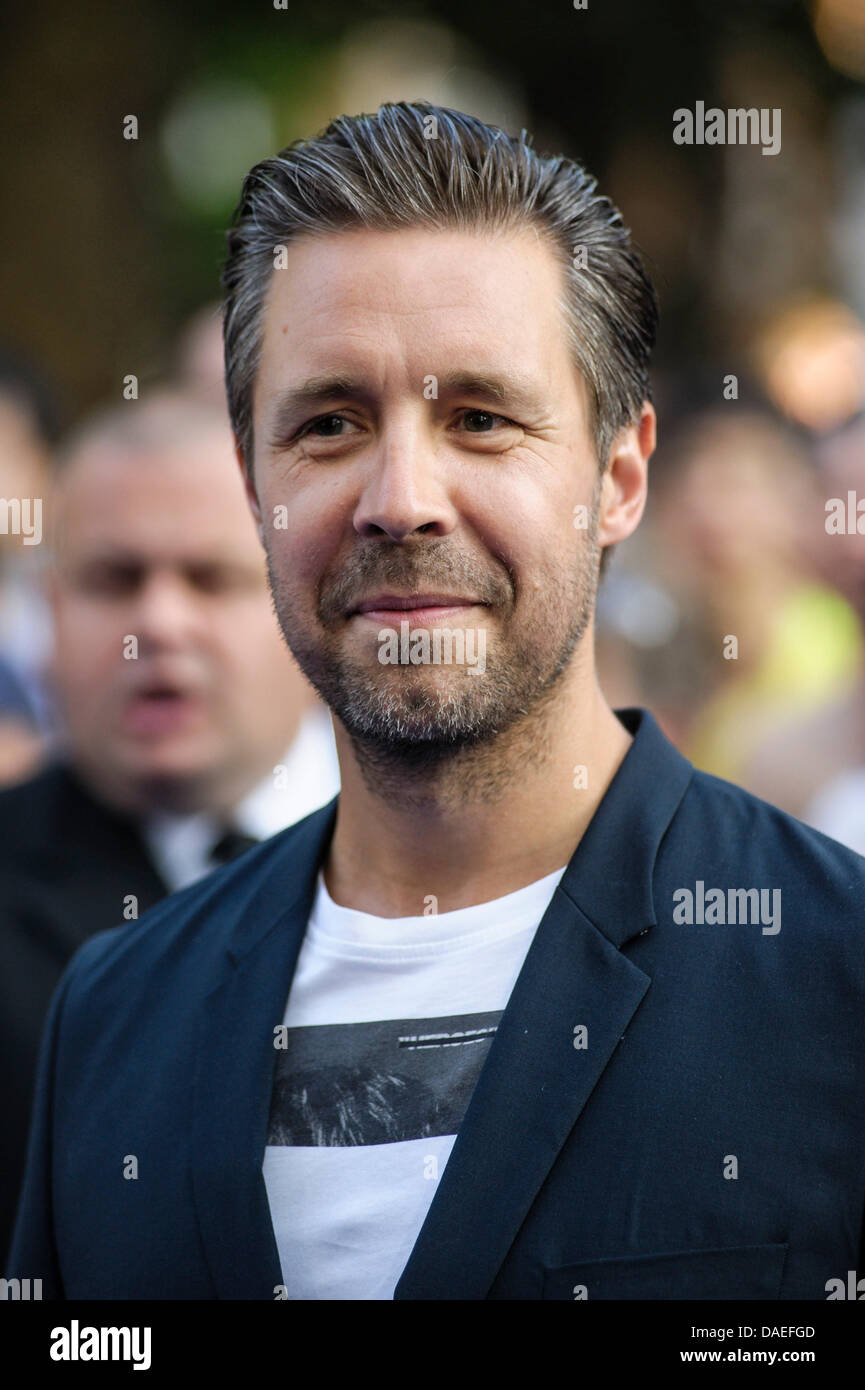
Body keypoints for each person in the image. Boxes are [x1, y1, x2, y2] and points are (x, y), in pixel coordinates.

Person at [8, 102, 865, 1302]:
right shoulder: (114, 1012)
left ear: (618, 479)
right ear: (252, 480)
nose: (399, 497)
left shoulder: (834, 975)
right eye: (328, 424)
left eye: (480, 419)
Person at [0, 391, 339, 1264]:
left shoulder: (443, 854)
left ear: (308, 602)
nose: (158, 624)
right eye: (114, 581)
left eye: (212, 579)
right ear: (49, 615)